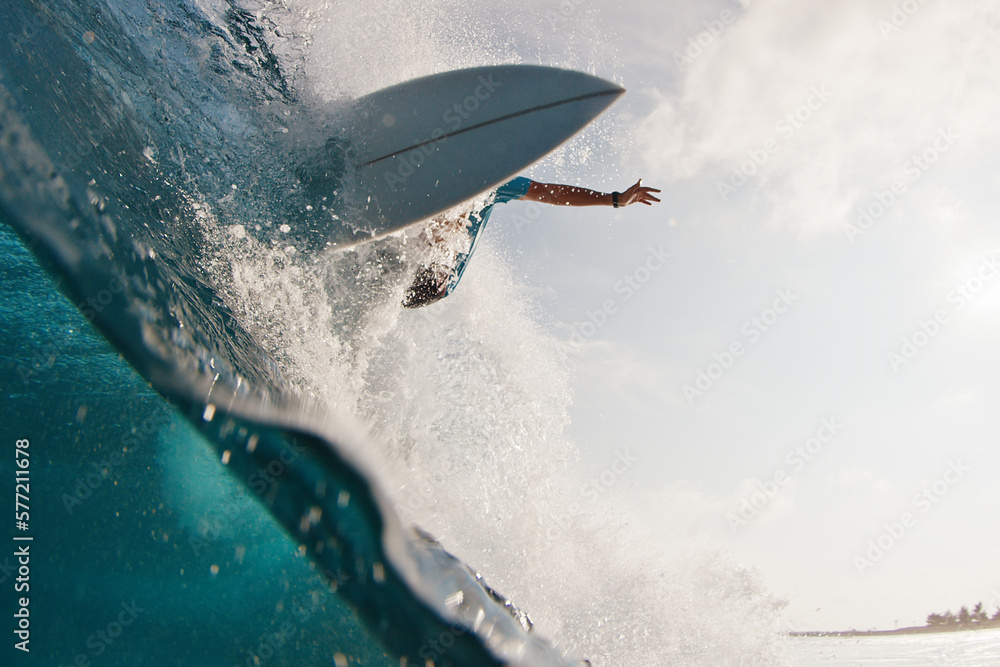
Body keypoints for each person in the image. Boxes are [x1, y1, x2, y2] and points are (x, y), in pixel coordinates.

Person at [402, 177, 662, 308]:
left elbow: (552, 194)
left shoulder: (497, 181)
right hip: (402, 256)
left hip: (435, 281)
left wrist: (614, 199)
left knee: (459, 205)